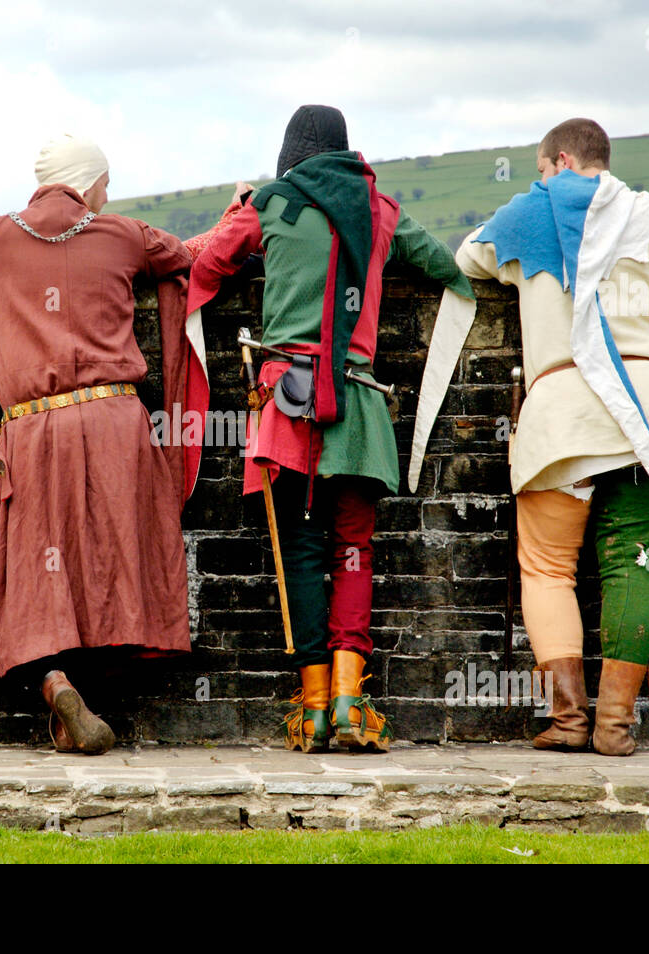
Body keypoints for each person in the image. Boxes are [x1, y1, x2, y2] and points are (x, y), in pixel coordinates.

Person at [453, 118, 649, 755]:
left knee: (546, 569)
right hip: (641, 416)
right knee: (633, 564)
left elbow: (466, 259)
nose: (541, 180)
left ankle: (567, 721)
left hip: (562, 421)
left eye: (542, 169)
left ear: (560, 160)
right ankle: (614, 729)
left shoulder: (523, 217)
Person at [0, 134, 208, 755]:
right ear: (88, 184)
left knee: (36, 578)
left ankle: (56, 684)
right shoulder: (123, 233)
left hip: (37, 430)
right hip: (118, 424)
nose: (106, 195)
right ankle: (80, 699)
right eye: (105, 185)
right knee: (111, 566)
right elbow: (183, 258)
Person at [188, 105, 476, 753]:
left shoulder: (271, 203)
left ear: (290, 152)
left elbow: (198, 271)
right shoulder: (381, 211)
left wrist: (235, 212)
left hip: (286, 403)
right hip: (360, 405)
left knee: (301, 549)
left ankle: (313, 709)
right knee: (353, 549)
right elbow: (449, 270)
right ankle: (350, 701)